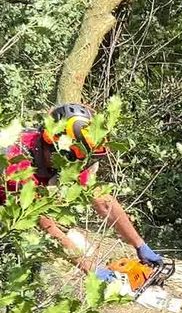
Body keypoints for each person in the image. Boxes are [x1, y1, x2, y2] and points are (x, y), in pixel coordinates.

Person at [1, 103, 163, 281]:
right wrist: (91, 270)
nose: (76, 166)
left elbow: (101, 199)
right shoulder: (15, 163)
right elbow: (44, 224)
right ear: (54, 144)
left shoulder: (70, 158)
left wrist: (139, 244)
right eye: (73, 159)